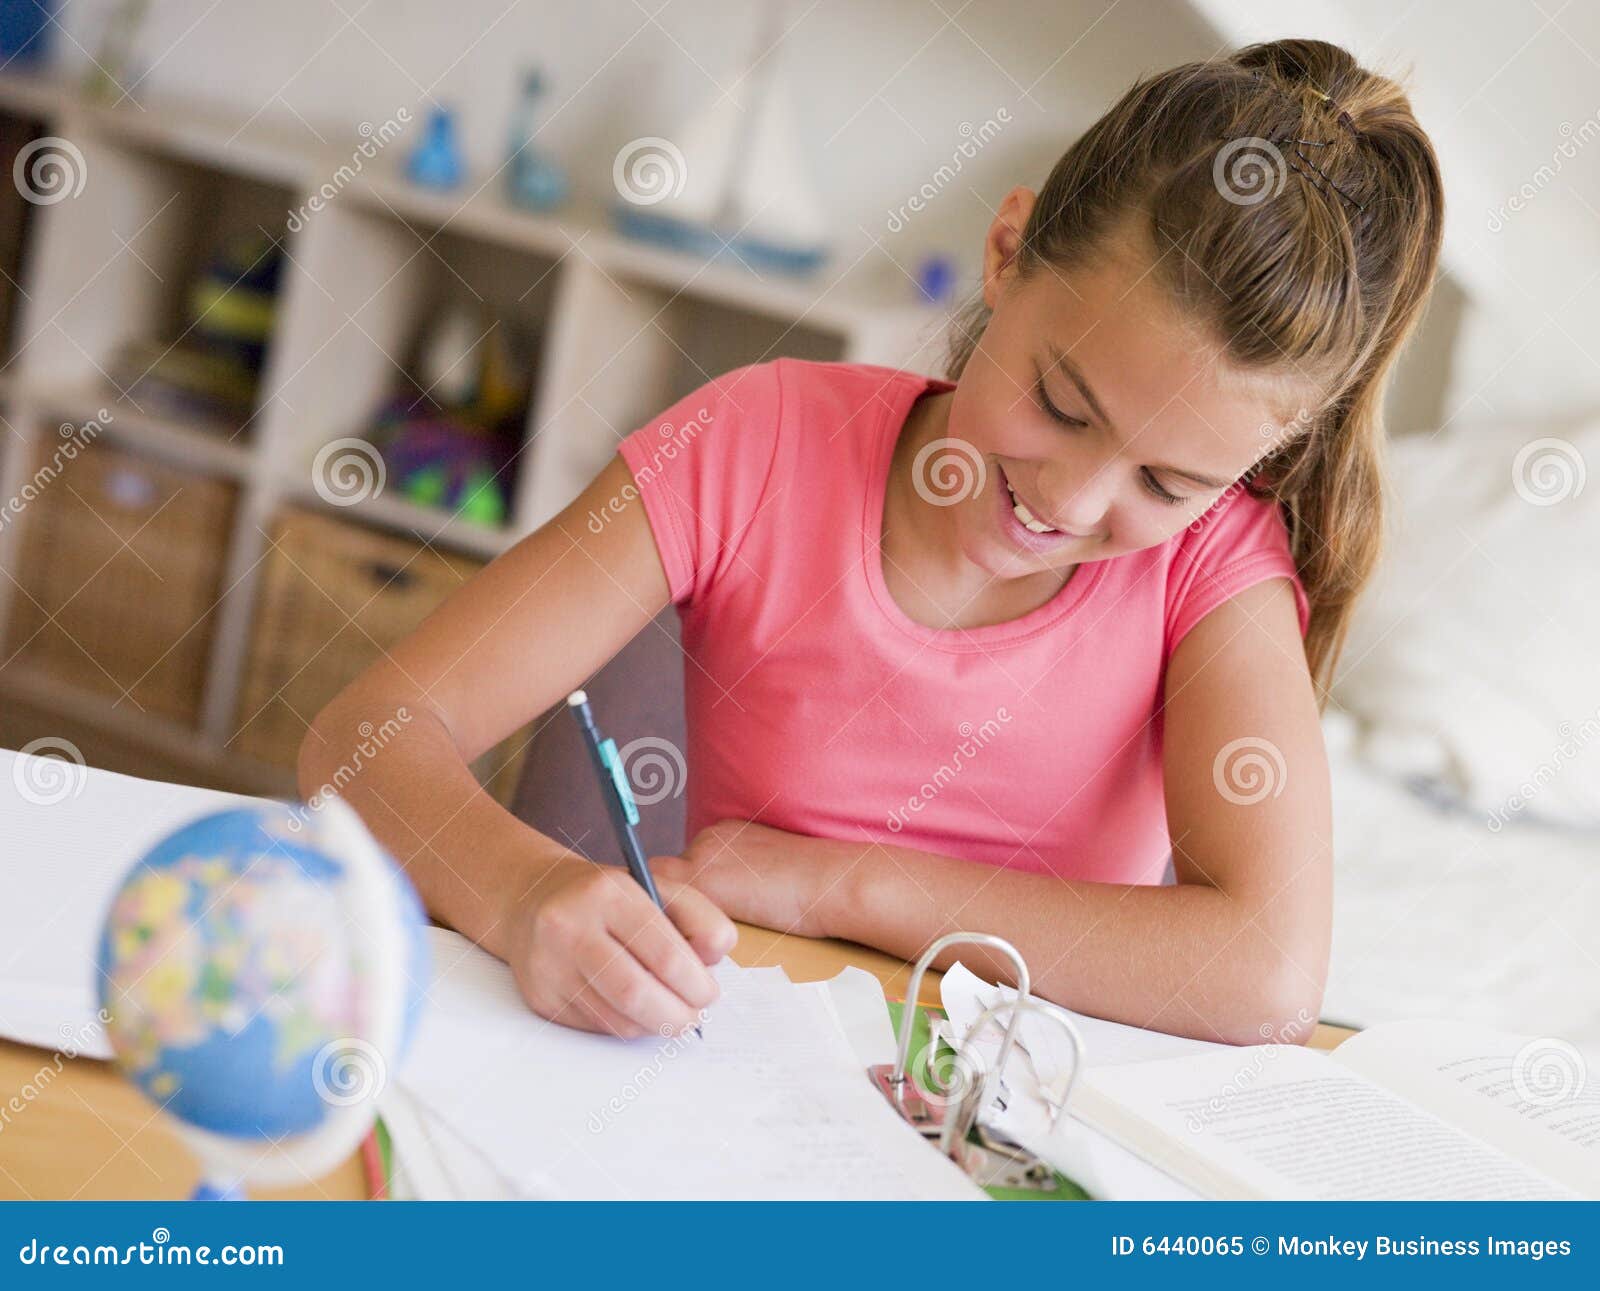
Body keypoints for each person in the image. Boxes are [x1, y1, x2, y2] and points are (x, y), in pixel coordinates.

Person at [301, 39, 1445, 1046]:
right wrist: (521, 892)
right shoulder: (754, 443)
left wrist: (838, 883)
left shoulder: (1214, 569)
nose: (1071, 499)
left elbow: (1265, 975)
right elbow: (363, 737)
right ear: (1006, 252)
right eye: (1061, 402)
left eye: (1166, 481)